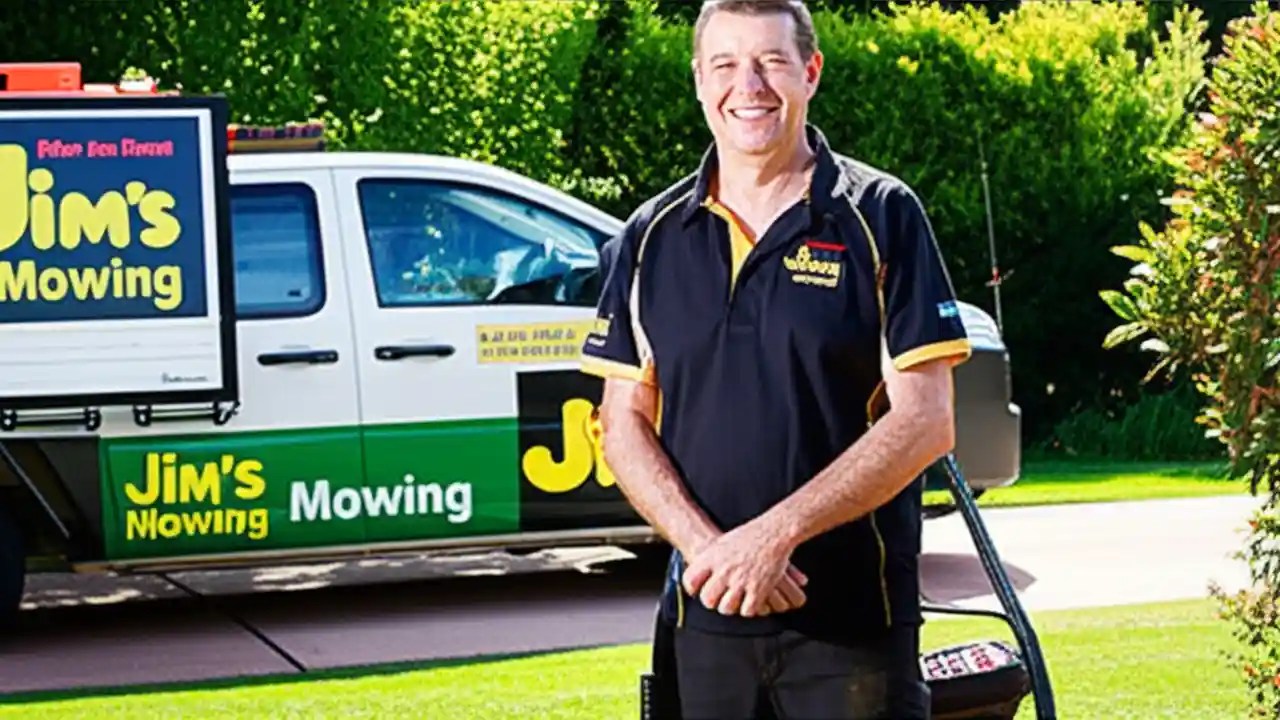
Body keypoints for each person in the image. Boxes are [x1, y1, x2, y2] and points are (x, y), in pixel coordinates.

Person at [579, 1, 971, 717]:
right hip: (704, 624)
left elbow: (927, 420)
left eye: (771, 62)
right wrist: (712, 553)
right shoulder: (650, 237)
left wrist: (775, 536)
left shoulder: (881, 215)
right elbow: (623, 422)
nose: (747, 85)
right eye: (725, 64)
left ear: (810, 72)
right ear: (699, 80)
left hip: (851, 629)